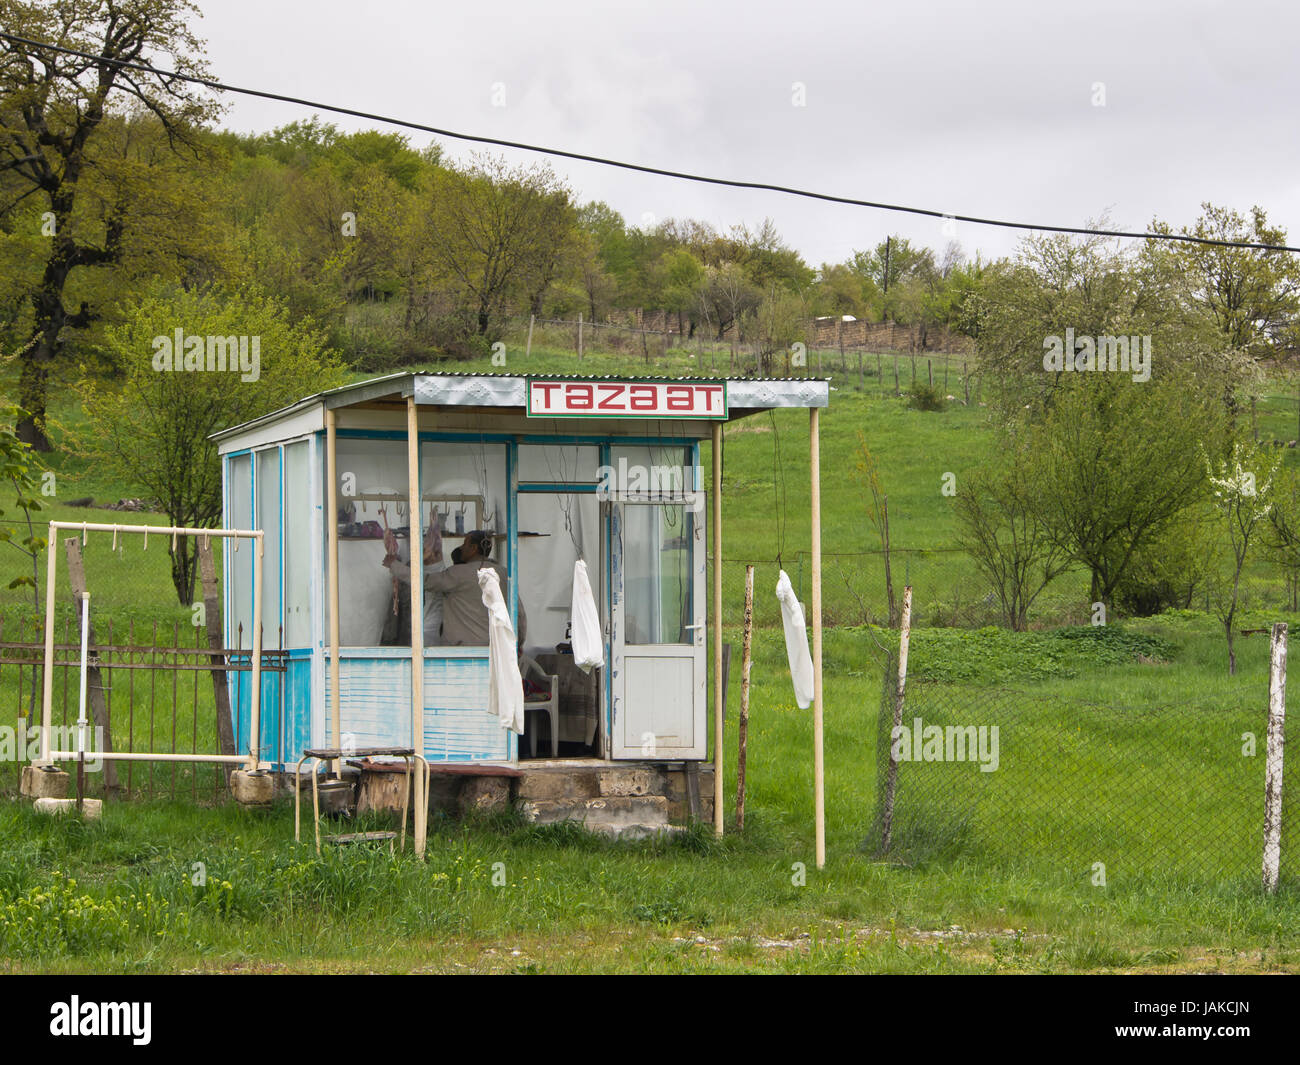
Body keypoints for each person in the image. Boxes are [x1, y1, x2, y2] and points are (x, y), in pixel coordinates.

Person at [386, 530, 527, 648]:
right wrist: (517, 644)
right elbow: (519, 615)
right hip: (498, 649)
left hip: (463, 651)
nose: (461, 548)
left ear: (473, 548)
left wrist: (394, 565)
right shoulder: (504, 574)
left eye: (465, 544)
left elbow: (425, 581)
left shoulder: (459, 573)